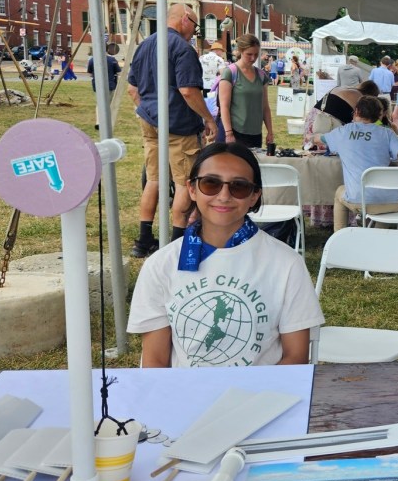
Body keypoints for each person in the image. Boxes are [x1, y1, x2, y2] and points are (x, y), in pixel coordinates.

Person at [127, 143, 324, 367]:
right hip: (186, 389)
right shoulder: (160, 265)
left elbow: (296, 357)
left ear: (254, 196)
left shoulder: (287, 264)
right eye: (211, 183)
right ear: (192, 189)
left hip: (263, 389)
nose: (224, 196)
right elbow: (155, 362)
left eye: (239, 186)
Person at [127, 4, 217, 257]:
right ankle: (177, 244)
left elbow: (132, 89)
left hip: (150, 121)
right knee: (184, 183)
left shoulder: (145, 45)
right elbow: (188, 91)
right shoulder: (182, 49)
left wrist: (149, 111)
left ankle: (143, 240)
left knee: (154, 179)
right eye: (195, 26)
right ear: (185, 19)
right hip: (179, 124)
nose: (194, 32)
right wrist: (208, 118)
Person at [313, 95, 398, 229]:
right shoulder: (387, 133)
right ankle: (378, 234)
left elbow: (318, 139)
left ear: (356, 111)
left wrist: (313, 137)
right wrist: (394, 183)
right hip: (392, 200)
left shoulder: (344, 131)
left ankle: (339, 235)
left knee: (339, 192)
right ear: (379, 115)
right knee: (383, 204)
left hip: (358, 199)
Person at [218, 33, 276, 150]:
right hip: (235, 132)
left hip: (255, 134)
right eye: (249, 54)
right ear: (240, 51)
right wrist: (228, 133)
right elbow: (224, 106)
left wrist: (270, 132)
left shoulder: (261, 75)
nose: (253, 58)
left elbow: (265, 107)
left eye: (256, 54)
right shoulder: (230, 72)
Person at [87, 42, 122, 130]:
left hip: (97, 85)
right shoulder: (112, 60)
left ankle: (98, 122)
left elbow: (90, 74)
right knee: (109, 104)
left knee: (99, 104)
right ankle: (107, 122)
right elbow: (118, 72)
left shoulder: (92, 60)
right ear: (107, 49)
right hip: (110, 85)